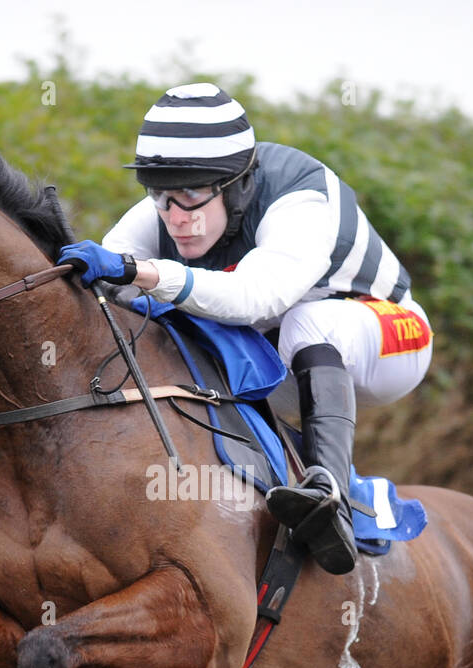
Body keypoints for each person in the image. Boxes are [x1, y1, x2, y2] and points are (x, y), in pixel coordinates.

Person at [58, 83, 433, 575]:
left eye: (192, 195)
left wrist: (139, 272)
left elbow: (255, 296)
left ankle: (329, 496)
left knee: (306, 320)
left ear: (237, 185)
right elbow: (108, 293)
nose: (176, 217)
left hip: (388, 338)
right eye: (161, 196)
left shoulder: (300, 199)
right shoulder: (169, 210)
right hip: (280, 360)